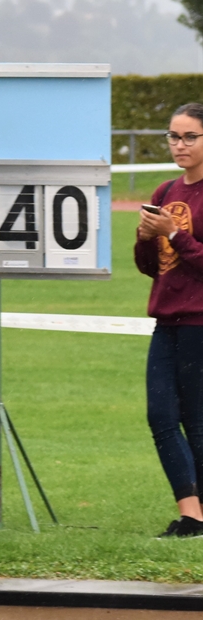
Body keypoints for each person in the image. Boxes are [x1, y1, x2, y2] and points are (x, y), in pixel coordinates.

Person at [135, 103, 203, 538]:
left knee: (196, 419)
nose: (179, 145)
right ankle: (190, 510)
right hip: (166, 320)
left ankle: (195, 519)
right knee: (160, 414)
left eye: (189, 137)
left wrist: (175, 234)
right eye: (173, 136)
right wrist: (146, 238)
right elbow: (151, 266)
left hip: (200, 321)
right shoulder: (164, 191)